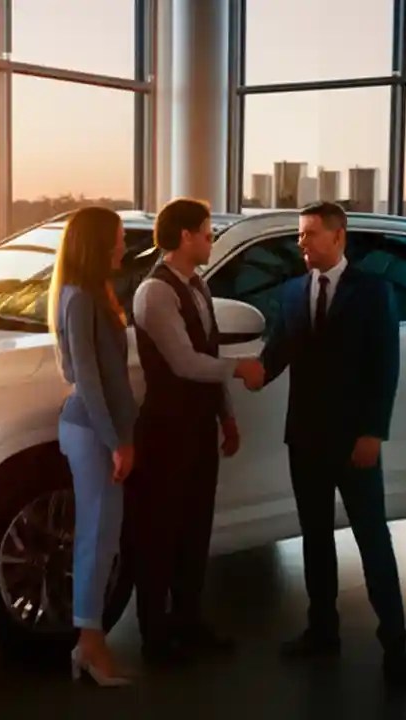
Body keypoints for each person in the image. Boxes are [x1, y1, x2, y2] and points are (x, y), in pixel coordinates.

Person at [252, 201, 406, 691]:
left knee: (373, 544)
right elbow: (277, 355)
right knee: (316, 539)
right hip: (304, 440)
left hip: (355, 443)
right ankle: (321, 632)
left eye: (308, 234)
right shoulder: (291, 293)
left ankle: (397, 650)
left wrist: (373, 432)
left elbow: (383, 367)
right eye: (299, 235)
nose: (300, 243)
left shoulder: (374, 293)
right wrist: (248, 374)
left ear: (338, 237)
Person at [124, 197, 265, 665]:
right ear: (185, 237)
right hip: (165, 431)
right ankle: (155, 637)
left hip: (198, 428)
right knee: (159, 534)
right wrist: (239, 368)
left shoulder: (198, 286)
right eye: (206, 233)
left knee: (194, 530)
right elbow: (184, 363)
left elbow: (204, 350)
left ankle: (189, 621)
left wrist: (226, 415)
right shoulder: (155, 293)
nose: (210, 240)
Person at [48, 206, 139, 687]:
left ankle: (91, 639)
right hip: (92, 432)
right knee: (97, 538)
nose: (123, 246)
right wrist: (117, 442)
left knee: (103, 537)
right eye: (119, 239)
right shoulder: (81, 298)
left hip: (95, 431)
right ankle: (89, 642)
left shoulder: (87, 293)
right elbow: (89, 380)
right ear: (98, 243)